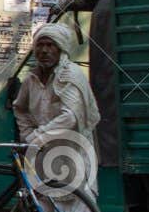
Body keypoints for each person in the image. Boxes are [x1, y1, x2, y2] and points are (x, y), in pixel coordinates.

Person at [11, 21, 100, 197]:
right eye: (40, 45)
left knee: (75, 203)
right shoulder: (31, 79)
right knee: (44, 202)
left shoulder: (70, 75)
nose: (44, 51)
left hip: (70, 150)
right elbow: (20, 108)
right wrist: (27, 134)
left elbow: (70, 117)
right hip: (42, 154)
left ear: (60, 49)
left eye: (50, 45)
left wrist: (36, 137)